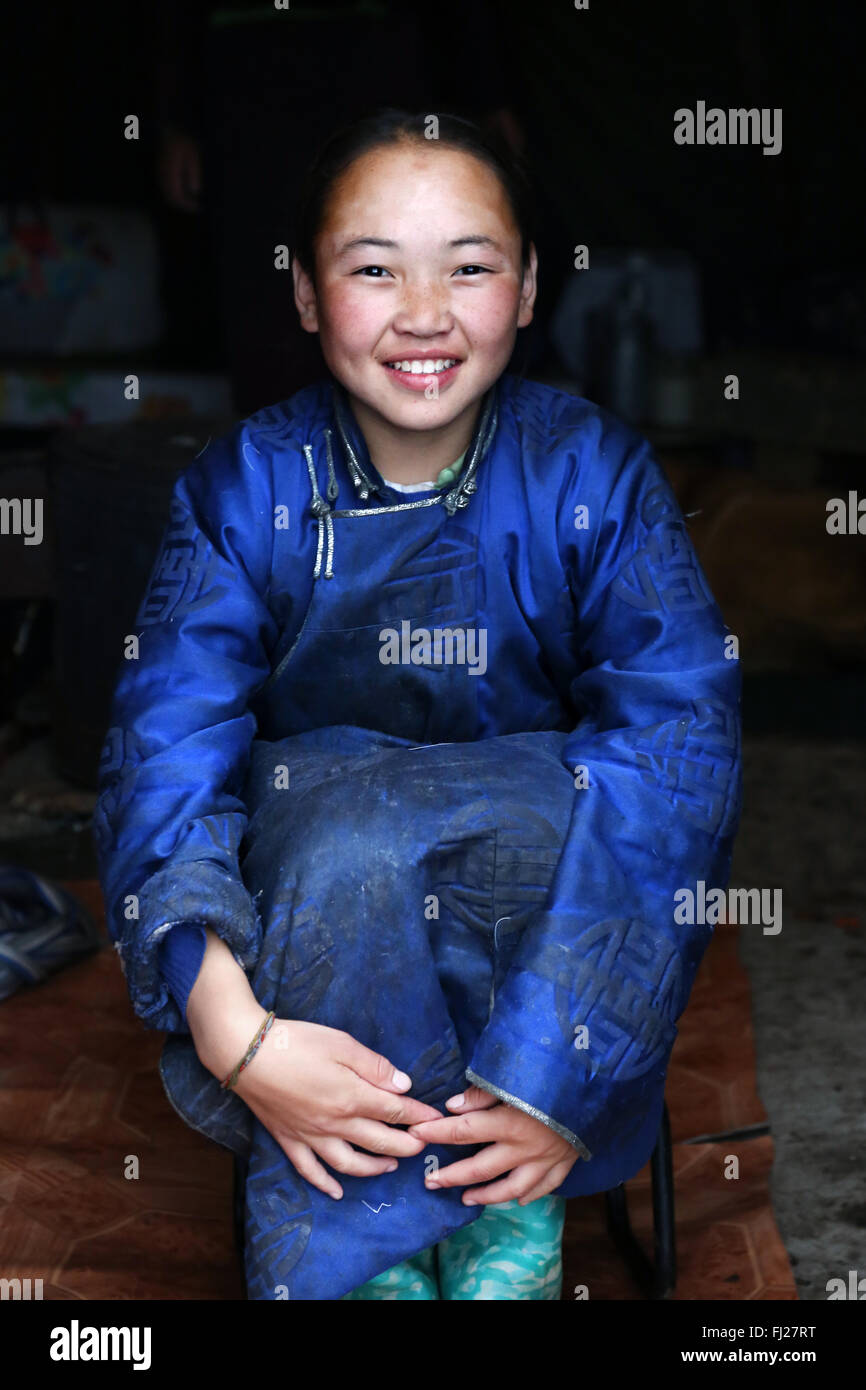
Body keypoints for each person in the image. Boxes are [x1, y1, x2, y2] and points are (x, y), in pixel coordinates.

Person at [93, 109, 741, 1300]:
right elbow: (163, 752)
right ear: (301, 293)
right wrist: (245, 1041)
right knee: (348, 840)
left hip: (539, 904)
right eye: (373, 267)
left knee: (549, 816)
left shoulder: (590, 471)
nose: (425, 311)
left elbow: (676, 744)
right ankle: (370, 1249)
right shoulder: (246, 487)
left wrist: (556, 1076)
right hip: (326, 908)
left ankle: (504, 1219)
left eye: (471, 264)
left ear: (531, 285)